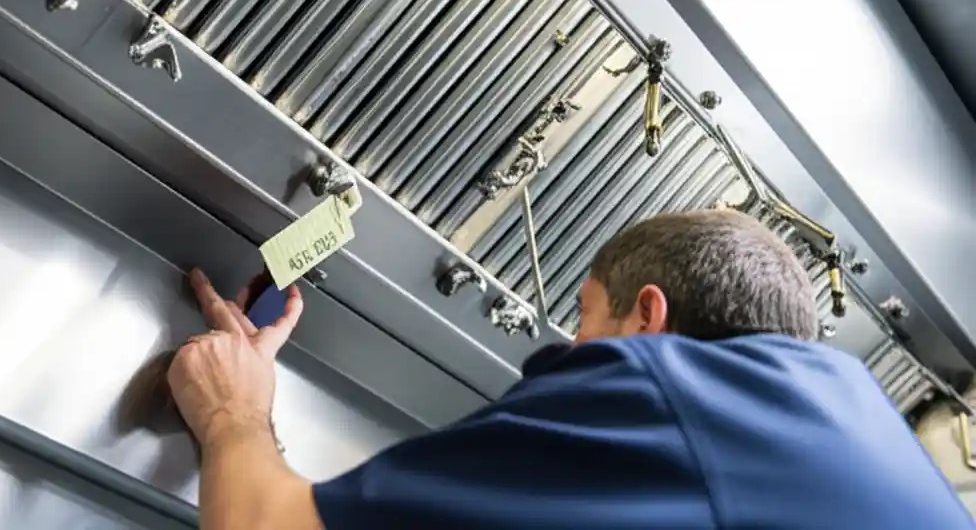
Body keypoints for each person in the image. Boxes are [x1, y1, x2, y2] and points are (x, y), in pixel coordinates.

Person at [167, 209, 971, 529]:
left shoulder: (674, 392)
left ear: (647, 316)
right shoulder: (871, 448)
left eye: (585, 317)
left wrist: (232, 410)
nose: (577, 349)